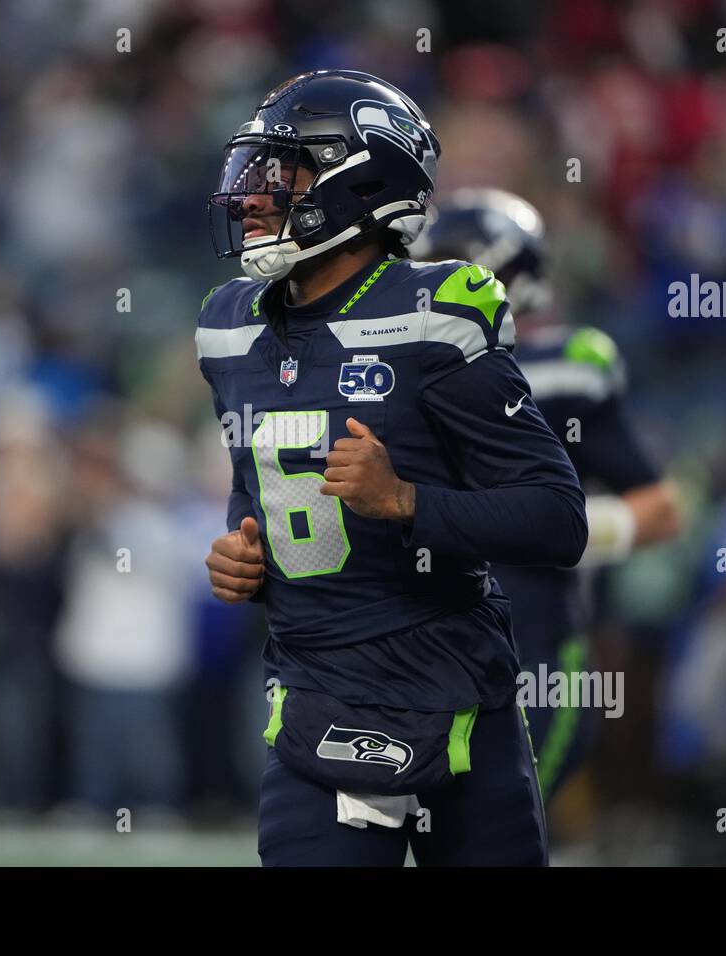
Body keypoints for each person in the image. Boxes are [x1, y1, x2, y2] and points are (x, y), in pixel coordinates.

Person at [198, 70, 587, 866]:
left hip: (457, 700)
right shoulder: (230, 327)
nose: (258, 197)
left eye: (286, 173)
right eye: (257, 173)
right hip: (318, 700)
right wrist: (244, 558)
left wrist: (404, 499)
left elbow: (556, 519)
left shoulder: (434, 315)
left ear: (360, 180)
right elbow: (261, 498)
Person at [413, 188, 681, 803]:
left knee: (503, 822)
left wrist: (547, 526)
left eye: (440, 261)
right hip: (419, 636)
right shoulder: (397, 359)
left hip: (529, 639)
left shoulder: (566, 364)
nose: (420, 278)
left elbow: (662, 507)